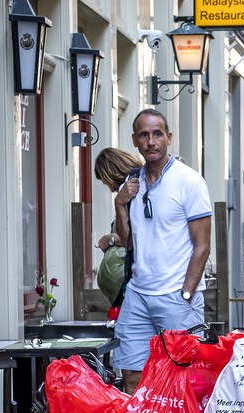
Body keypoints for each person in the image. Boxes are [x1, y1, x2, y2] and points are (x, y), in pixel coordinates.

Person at [111, 109, 212, 393]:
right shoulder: (131, 184)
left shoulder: (189, 181)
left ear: (169, 138)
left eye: (157, 134)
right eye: (144, 135)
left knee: (184, 380)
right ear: (135, 140)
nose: (151, 141)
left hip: (176, 296)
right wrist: (120, 204)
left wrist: (187, 294)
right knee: (132, 376)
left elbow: (202, 246)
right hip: (138, 295)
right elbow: (128, 241)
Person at [93, 148, 143, 309]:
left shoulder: (137, 192)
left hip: (133, 287)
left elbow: (138, 236)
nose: (109, 187)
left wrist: (111, 239)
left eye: (105, 181)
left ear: (110, 173)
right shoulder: (126, 192)